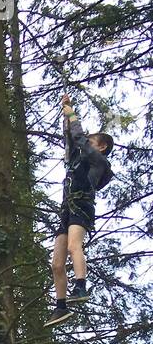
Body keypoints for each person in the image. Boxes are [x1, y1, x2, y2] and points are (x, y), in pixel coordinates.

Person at [46, 96, 114, 326]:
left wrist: (72, 113)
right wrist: (66, 115)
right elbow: (71, 140)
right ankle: (61, 307)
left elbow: (78, 137)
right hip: (67, 209)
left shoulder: (98, 161)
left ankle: (81, 286)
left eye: (91, 140)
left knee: (75, 246)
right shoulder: (79, 160)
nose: (87, 141)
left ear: (102, 146)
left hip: (82, 205)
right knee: (56, 263)